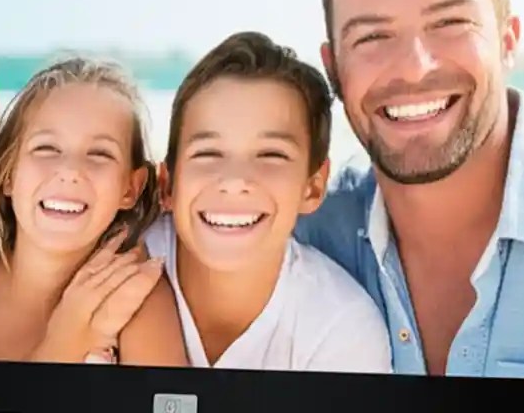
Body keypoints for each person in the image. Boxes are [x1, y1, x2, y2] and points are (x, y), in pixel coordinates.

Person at [295, 0, 524, 380]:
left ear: (507, 42)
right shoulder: (300, 235)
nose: (414, 67)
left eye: (450, 24)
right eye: (372, 37)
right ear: (333, 69)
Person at [0, 57, 188, 366]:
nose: (69, 170)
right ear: (7, 174)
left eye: (99, 153)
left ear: (130, 188)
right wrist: (63, 343)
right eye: (46, 148)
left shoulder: (136, 297)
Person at [145, 31, 392, 372]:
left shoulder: (340, 329)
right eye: (208, 153)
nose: (234, 181)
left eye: (271, 155)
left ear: (313, 187)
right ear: (168, 184)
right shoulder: (123, 260)